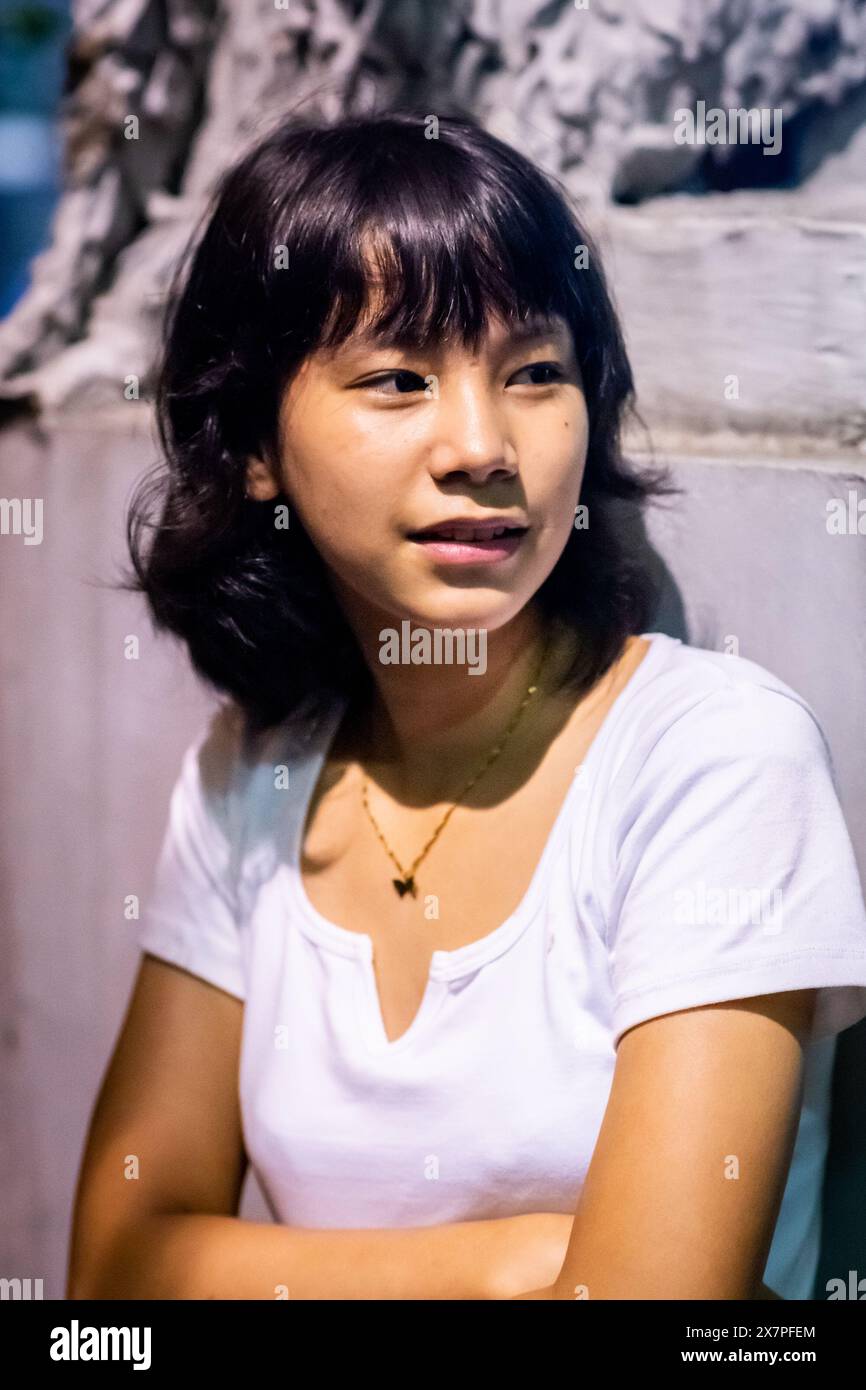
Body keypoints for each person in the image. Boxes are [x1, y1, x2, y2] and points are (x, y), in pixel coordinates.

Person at [67, 108, 866, 1301]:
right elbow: (112, 1280)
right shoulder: (254, 772)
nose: (482, 443)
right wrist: (505, 1267)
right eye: (398, 379)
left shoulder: (711, 761)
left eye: (534, 373)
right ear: (252, 448)